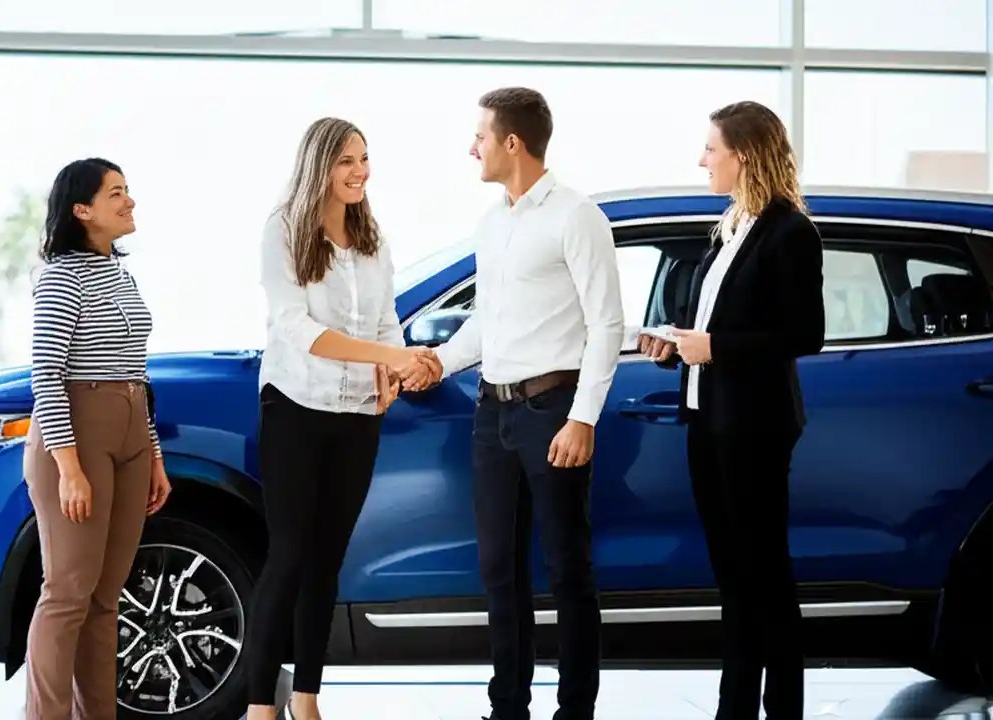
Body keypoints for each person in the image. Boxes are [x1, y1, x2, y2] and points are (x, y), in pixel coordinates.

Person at [405, 87, 625, 720]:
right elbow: (485, 323)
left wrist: (583, 417)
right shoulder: (492, 221)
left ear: (512, 142)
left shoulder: (577, 216)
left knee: (567, 569)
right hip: (491, 414)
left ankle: (576, 710)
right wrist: (436, 363)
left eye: (480, 135)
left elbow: (606, 324)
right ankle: (509, 708)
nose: (471, 146)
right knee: (499, 568)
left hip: (553, 411)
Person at [244, 117, 440, 720]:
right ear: (319, 166)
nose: (360, 171)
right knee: (290, 553)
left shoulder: (372, 238)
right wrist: (391, 356)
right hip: (296, 406)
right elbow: (295, 328)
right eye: (347, 161)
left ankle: (307, 698)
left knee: (329, 558)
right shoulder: (283, 230)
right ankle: (259, 707)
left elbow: (385, 321)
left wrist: (391, 376)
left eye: (364, 158)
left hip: (357, 413)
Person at [638, 100, 825, 720]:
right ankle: (736, 706)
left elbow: (804, 333)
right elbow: (717, 327)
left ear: (742, 154)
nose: (702, 160)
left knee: (765, 574)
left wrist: (712, 347)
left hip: (755, 426)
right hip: (709, 419)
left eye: (711, 149)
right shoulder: (729, 227)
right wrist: (677, 346)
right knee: (734, 576)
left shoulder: (790, 231)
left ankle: (785, 709)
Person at [23, 157, 173, 720]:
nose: (129, 201)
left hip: (130, 434)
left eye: (128, 190)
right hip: (76, 442)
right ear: (81, 210)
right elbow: (46, 374)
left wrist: (153, 453)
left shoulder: (121, 274)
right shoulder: (60, 274)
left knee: (105, 600)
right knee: (66, 595)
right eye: (116, 193)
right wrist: (68, 468)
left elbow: (136, 370)